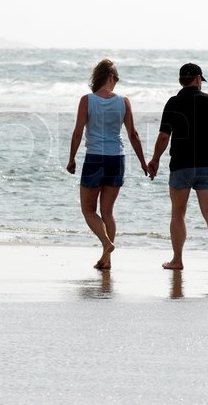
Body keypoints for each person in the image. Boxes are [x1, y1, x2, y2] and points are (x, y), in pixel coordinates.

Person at [147, 63, 208, 272]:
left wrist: (155, 159)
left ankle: (177, 260)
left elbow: (163, 136)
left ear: (181, 81)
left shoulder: (173, 102)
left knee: (178, 214)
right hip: (207, 166)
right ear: (198, 79)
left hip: (181, 165)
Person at [67, 59, 149, 269]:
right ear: (111, 78)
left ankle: (106, 243)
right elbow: (133, 134)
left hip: (95, 157)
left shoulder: (87, 100)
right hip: (117, 158)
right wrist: (143, 162)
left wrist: (72, 158)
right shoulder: (124, 101)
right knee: (108, 212)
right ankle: (106, 259)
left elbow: (77, 132)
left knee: (88, 210)